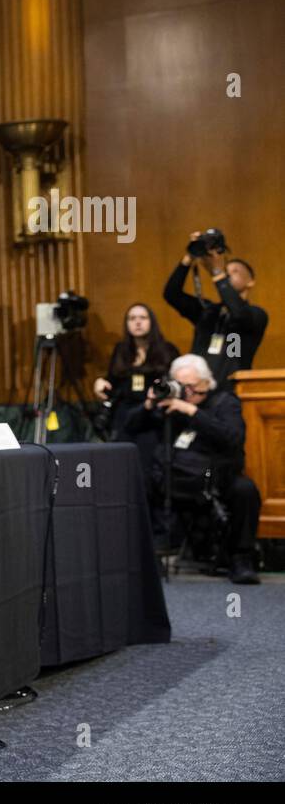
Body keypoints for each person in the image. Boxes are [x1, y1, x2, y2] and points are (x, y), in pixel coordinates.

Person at [125, 354, 261, 584]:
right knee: (137, 485)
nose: (185, 391)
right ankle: (148, 556)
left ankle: (241, 558)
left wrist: (191, 412)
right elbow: (129, 427)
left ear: (206, 383)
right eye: (180, 385)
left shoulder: (224, 402)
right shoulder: (169, 405)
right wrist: (149, 404)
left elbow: (233, 438)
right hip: (175, 477)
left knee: (245, 490)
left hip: (213, 478)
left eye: (191, 386)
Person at [163, 231, 267, 385]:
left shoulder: (256, 314)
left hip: (232, 392)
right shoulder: (208, 311)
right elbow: (171, 294)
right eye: (226, 271)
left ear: (250, 281)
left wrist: (218, 272)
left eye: (235, 271)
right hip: (197, 390)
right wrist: (189, 257)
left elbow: (238, 314)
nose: (227, 275)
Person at [92, 303, 180, 443]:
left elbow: (177, 383)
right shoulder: (121, 349)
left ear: (152, 322)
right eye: (132, 318)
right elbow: (113, 380)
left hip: (153, 412)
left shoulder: (167, 349)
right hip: (124, 412)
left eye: (143, 318)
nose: (137, 322)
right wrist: (100, 382)